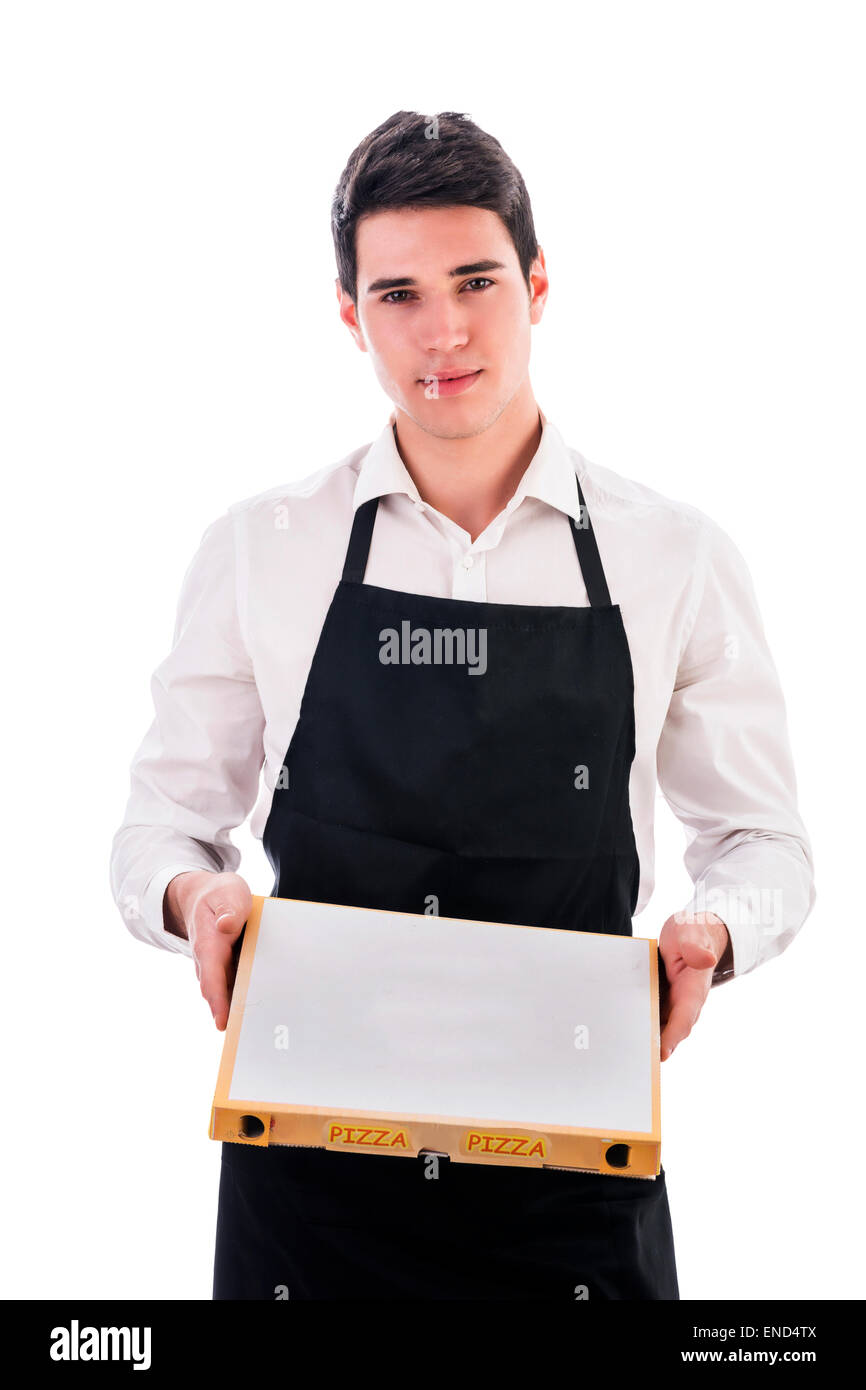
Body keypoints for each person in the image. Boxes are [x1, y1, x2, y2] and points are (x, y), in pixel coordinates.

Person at [109, 109, 815, 1301]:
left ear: (538, 285)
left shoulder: (672, 556)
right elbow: (157, 829)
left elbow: (764, 844)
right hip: (309, 1185)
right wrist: (197, 898)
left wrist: (717, 931)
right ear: (349, 315)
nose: (440, 331)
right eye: (396, 294)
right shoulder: (258, 551)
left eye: (475, 280)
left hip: (574, 1184)